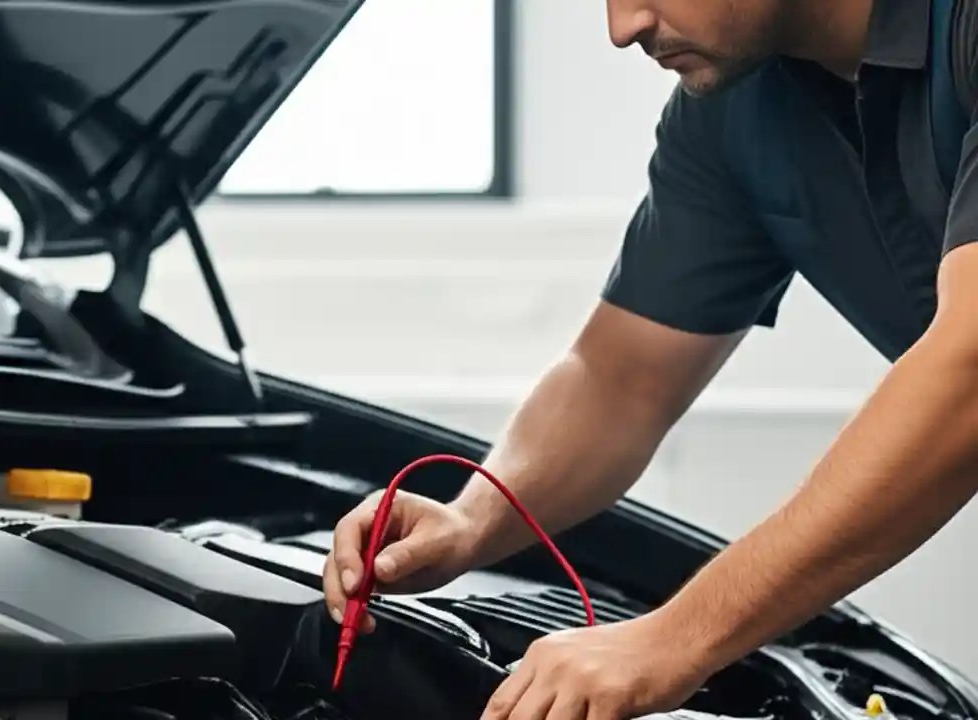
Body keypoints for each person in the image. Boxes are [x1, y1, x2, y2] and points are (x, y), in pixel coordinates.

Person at [322, 0, 978, 718]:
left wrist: (676, 638)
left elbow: (968, 365)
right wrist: (474, 519)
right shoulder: (736, 109)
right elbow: (622, 377)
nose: (622, 26)